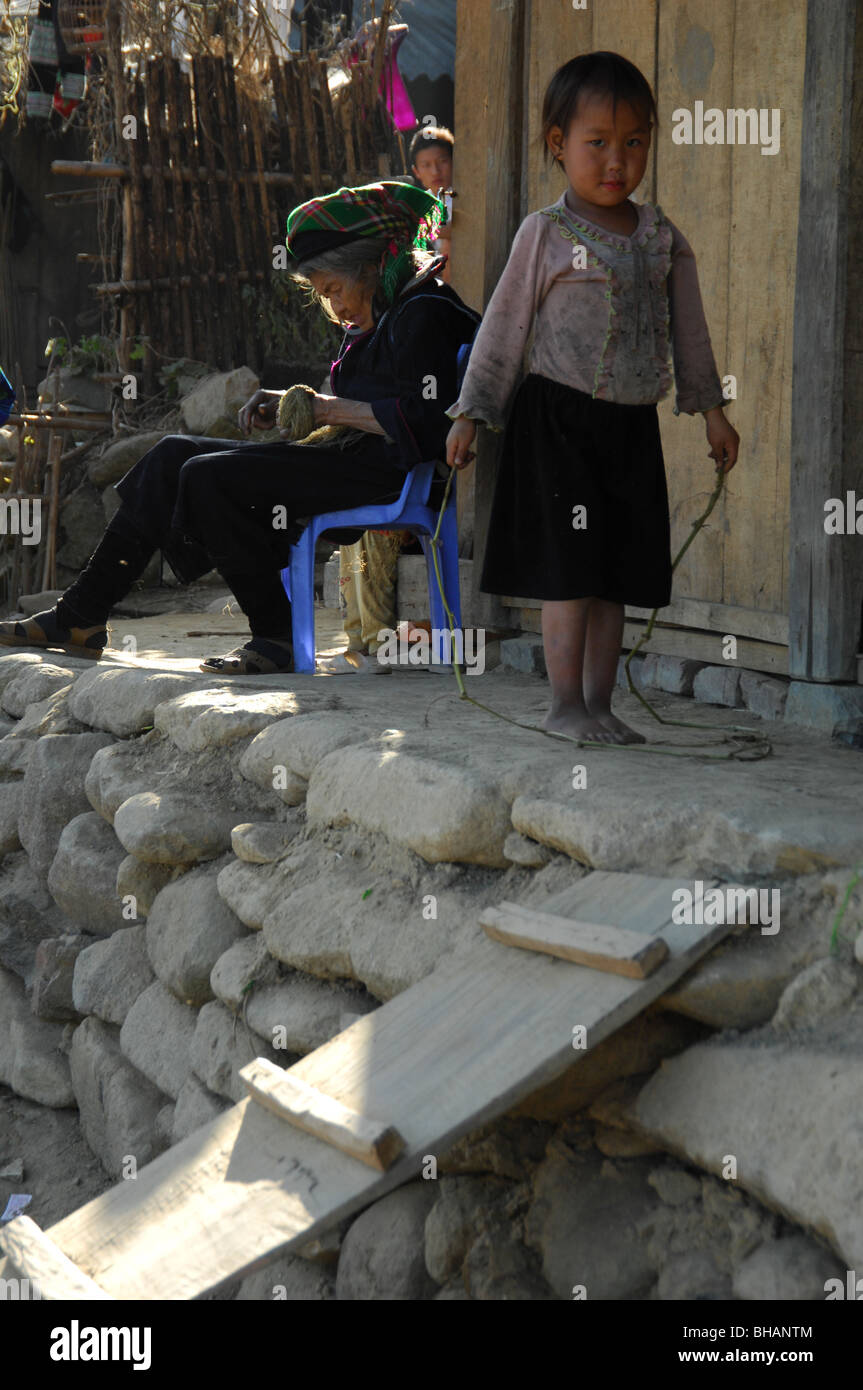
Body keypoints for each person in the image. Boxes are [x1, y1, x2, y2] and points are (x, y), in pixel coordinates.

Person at [0, 181, 479, 675]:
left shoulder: (424, 310)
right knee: (171, 455)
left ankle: (276, 636)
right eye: (323, 295)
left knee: (209, 477)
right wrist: (297, 405)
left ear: (373, 265)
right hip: (348, 459)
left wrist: (327, 411)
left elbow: (427, 423)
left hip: (390, 473)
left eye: (334, 290)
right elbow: (355, 402)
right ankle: (80, 616)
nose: (334, 308)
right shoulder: (382, 313)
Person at [445, 52, 740, 745]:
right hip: (558, 425)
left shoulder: (661, 238)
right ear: (558, 145)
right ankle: (562, 707)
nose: (616, 160)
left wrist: (712, 411)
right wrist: (469, 412)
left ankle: (601, 705)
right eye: (597, 142)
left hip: (630, 427)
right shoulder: (544, 234)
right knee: (570, 574)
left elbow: (689, 333)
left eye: (633, 142)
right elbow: (502, 328)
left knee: (615, 576)